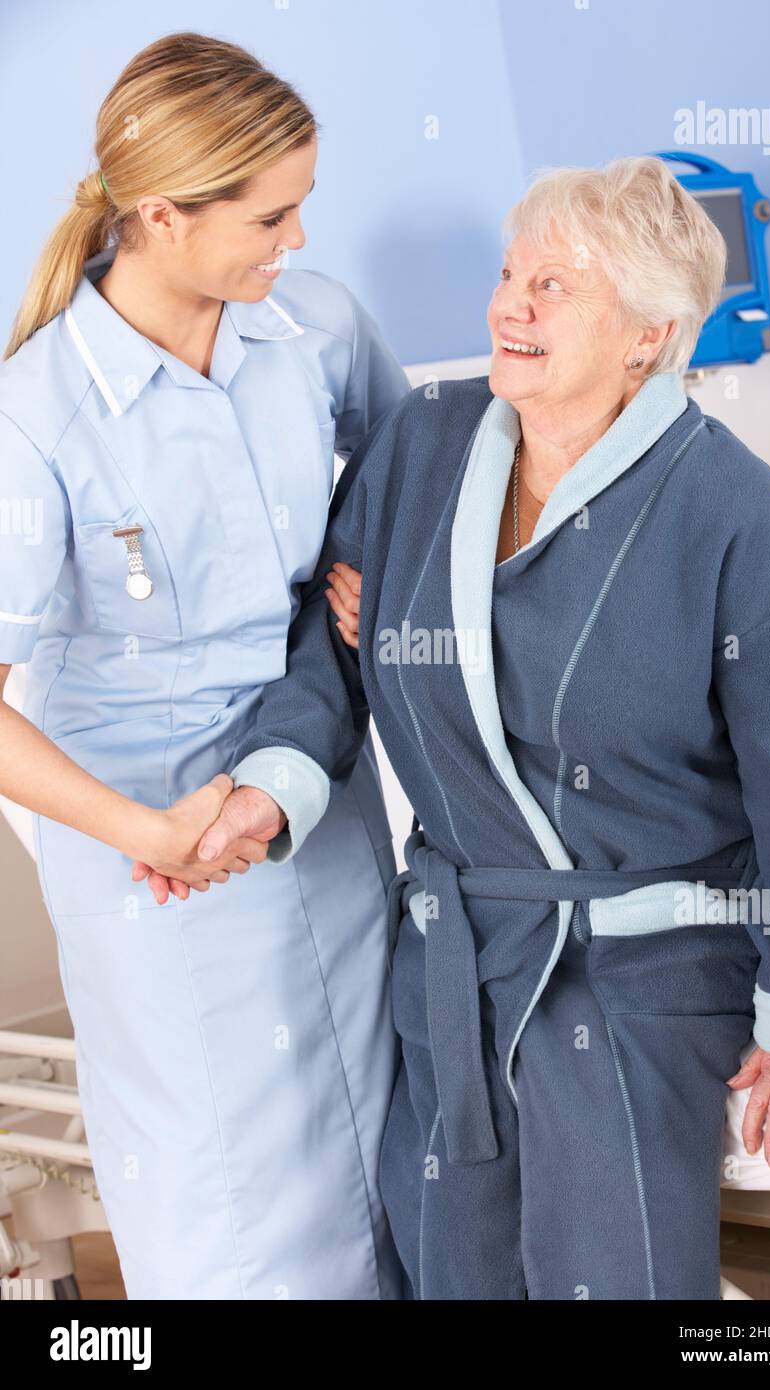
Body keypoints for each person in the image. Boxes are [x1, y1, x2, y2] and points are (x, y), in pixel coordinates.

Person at [147, 156, 770, 1299]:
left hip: (648, 967)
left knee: (611, 1265)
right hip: (453, 949)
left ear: (648, 335)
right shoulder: (424, 444)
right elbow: (329, 649)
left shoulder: (731, 514)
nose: (505, 306)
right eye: (506, 272)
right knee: (448, 1259)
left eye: (553, 287)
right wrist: (268, 788)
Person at [0, 32, 410, 1299]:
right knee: (225, 1168)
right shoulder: (39, 418)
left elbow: (410, 487)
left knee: (378, 1106)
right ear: (161, 215)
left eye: (303, 210)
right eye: (270, 216)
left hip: (306, 786)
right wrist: (153, 832)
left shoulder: (315, 325)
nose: (293, 243)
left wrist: (368, 577)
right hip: (141, 835)